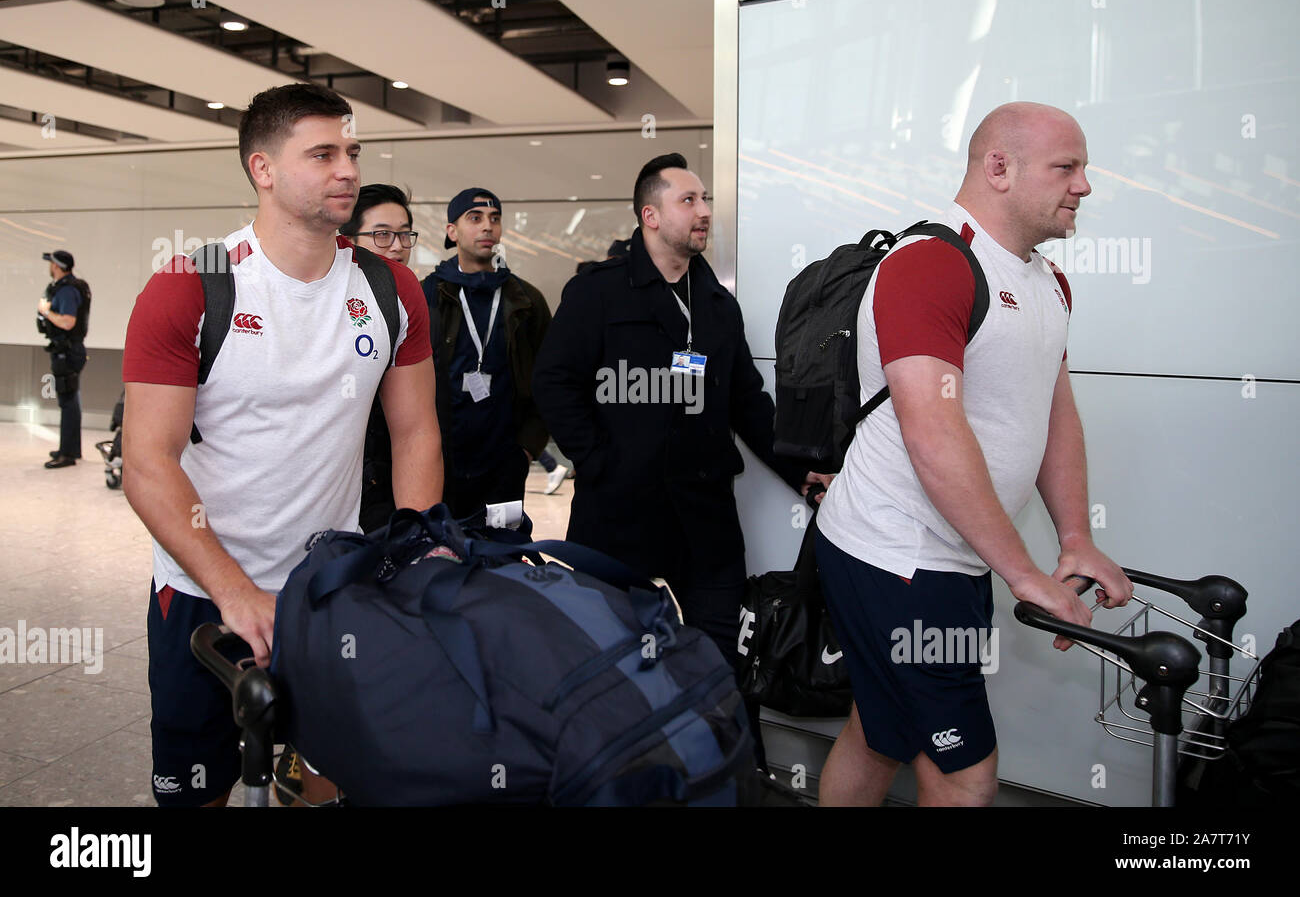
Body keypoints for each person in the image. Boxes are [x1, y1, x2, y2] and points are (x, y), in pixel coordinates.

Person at [121, 83, 441, 807]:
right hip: (202, 598)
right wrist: (235, 592)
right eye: (323, 153)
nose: (348, 171)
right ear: (263, 169)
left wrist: (415, 557)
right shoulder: (190, 288)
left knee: (324, 786)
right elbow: (147, 461)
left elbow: (416, 430)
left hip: (329, 591)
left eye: (352, 152)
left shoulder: (391, 289)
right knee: (195, 791)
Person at [812, 102, 1133, 807]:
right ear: (999, 167)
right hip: (895, 555)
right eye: (1067, 167)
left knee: (881, 732)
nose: (1084, 186)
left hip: (952, 555)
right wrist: (1023, 572)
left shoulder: (1049, 282)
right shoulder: (931, 262)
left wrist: (1074, 538)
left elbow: (1054, 412)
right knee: (964, 773)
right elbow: (932, 429)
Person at [532, 152, 831, 762]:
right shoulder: (597, 293)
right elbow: (554, 382)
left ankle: (735, 779)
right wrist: (598, 460)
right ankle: (609, 775)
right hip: (618, 512)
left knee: (725, 657)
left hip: (704, 514)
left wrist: (805, 472)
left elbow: (749, 404)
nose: (704, 213)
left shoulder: (717, 306)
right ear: (650, 215)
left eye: (705, 201)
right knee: (607, 656)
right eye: (689, 201)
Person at [423, 187, 552, 518]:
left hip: (504, 468)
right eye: (475, 218)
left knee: (504, 556)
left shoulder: (527, 300)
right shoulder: (429, 295)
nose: (487, 227)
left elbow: (549, 378)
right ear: (452, 231)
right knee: (443, 558)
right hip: (441, 464)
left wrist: (526, 449)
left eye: (495, 219)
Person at [340, 183, 421, 532]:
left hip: (395, 487)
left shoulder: (412, 306)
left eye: (405, 236)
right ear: (349, 239)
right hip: (341, 489)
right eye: (383, 235)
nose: (398, 247)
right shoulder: (329, 306)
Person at [36, 249, 90, 468]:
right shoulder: (69, 287)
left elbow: (68, 322)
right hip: (70, 350)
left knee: (67, 402)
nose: (49, 266)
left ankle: (66, 455)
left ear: (57, 266)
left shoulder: (67, 291)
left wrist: (46, 311)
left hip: (67, 352)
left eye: (51, 263)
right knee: (71, 400)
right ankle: (70, 448)